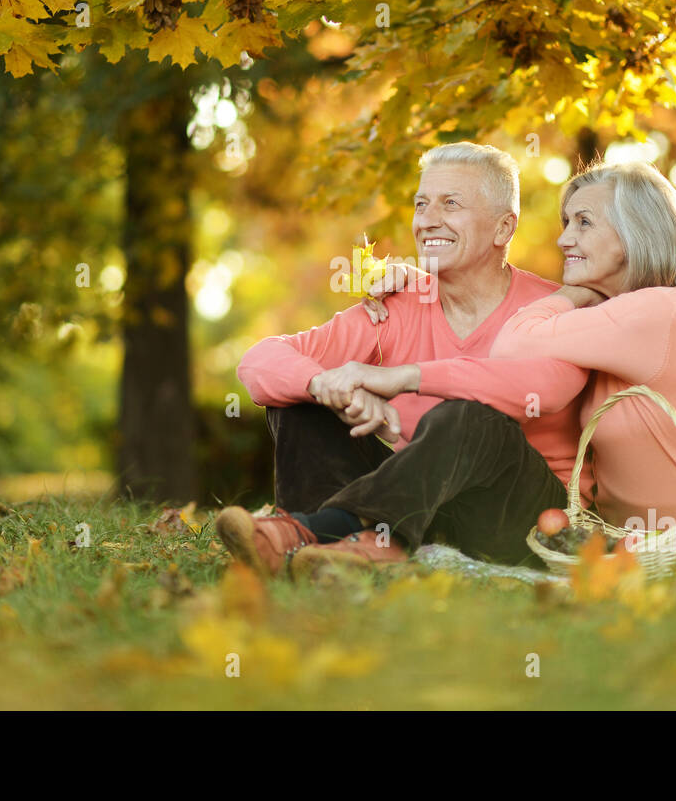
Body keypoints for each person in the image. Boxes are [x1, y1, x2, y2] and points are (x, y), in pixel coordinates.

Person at [220, 142, 593, 577]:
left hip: (528, 522)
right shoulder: (396, 304)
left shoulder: (555, 307)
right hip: (420, 512)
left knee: (471, 416)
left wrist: (400, 379)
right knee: (301, 399)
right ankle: (331, 547)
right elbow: (261, 360)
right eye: (421, 204)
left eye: (450, 204)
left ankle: (311, 532)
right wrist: (326, 387)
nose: (428, 220)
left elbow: (543, 389)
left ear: (503, 228)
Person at [487, 161, 676, 572]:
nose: (564, 239)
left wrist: (571, 295)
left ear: (636, 232)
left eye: (584, 222)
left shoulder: (658, 311)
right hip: (633, 542)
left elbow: (510, 347)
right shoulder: (627, 312)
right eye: (567, 222)